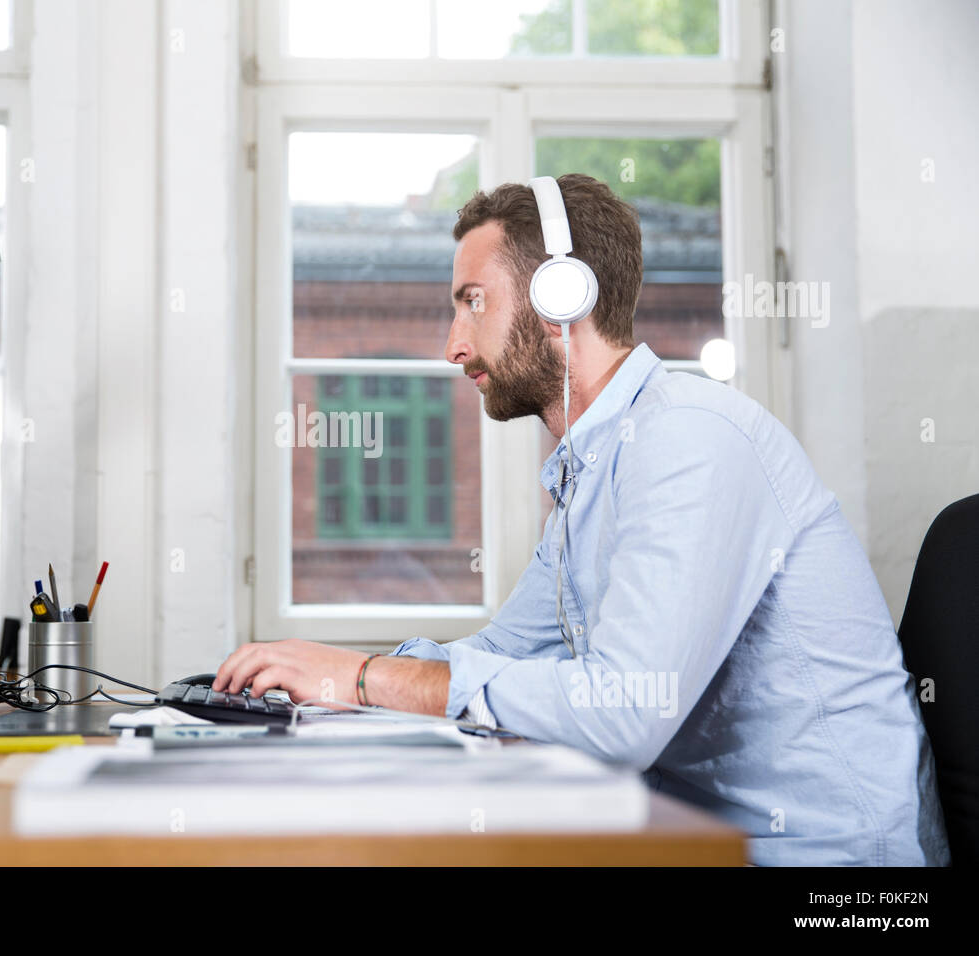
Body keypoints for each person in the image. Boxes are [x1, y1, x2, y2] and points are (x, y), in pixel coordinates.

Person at [214, 175, 949, 866]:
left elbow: (625, 713)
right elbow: (506, 653)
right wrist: (321, 684)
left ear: (562, 296)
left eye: (473, 301)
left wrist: (363, 677)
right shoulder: (591, 469)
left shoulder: (689, 440)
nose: (453, 346)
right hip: (688, 837)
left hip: (832, 873)